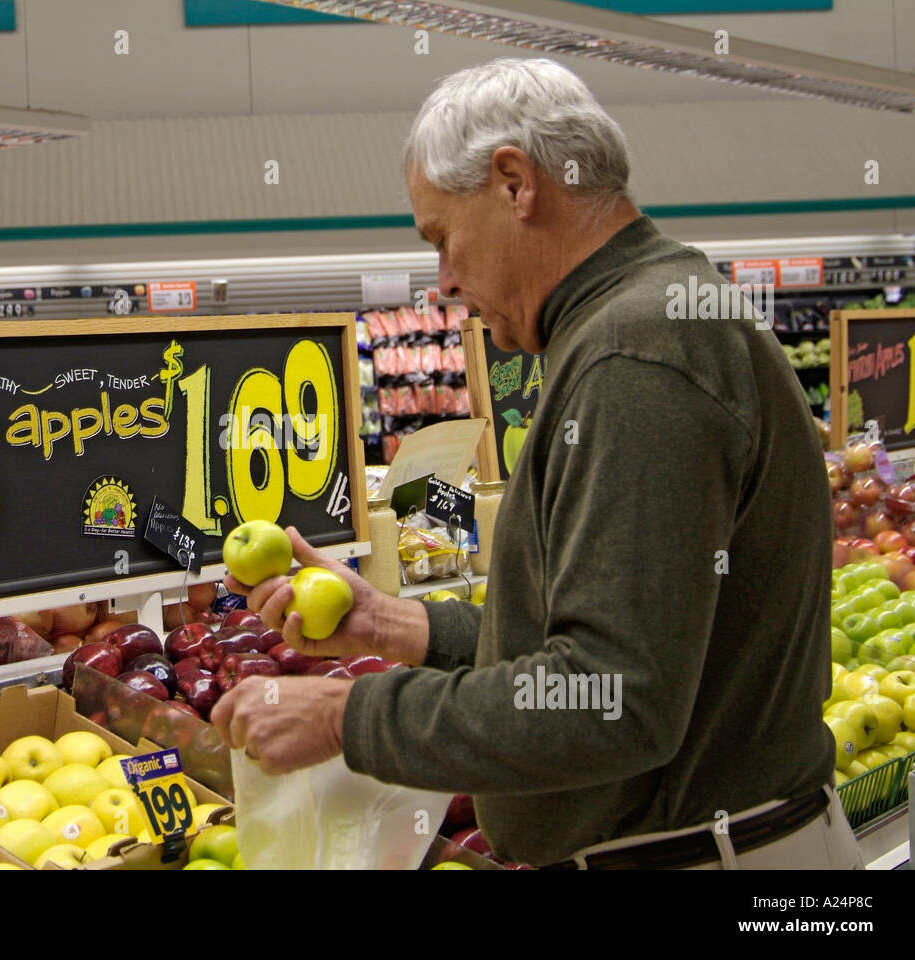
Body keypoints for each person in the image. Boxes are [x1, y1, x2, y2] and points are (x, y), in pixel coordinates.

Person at [211, 58, 859, 870]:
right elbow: (637, 634)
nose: (444, 282)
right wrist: (395, 625)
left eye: (443, 237)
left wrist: (351, 717)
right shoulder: (651, 318)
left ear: (515, 182)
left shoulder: (637, 353)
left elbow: (613, 695)